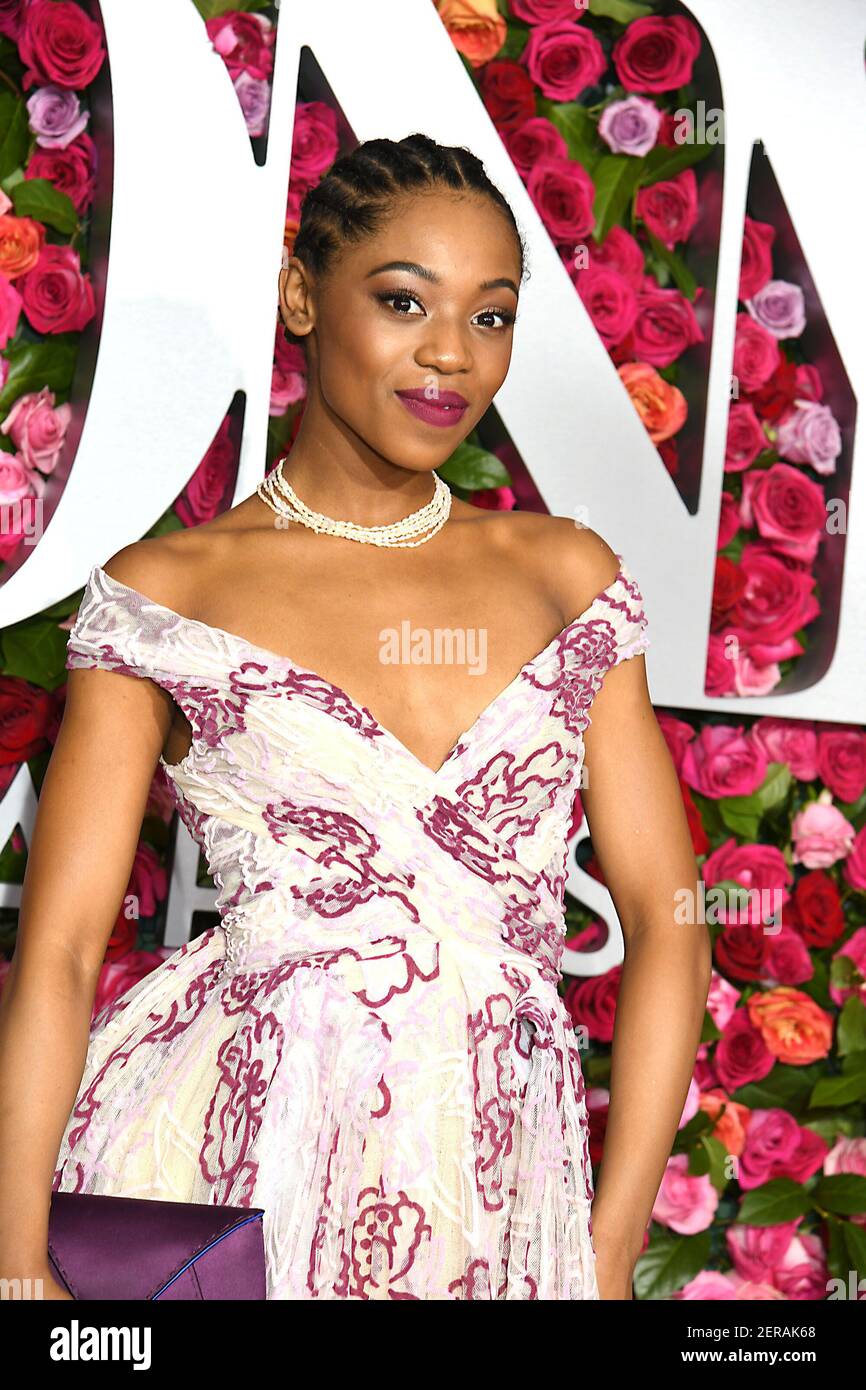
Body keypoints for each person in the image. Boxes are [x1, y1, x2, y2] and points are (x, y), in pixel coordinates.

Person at [0, 133, 710, 1302]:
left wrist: (614, 1241)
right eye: (401, 301)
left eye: (491, 317)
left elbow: (665, 918)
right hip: (237, 1172)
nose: (449, 356)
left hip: (501, 1189)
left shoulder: (563, 576)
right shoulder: (166, 595)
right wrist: (20, 1260)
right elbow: (65, 949)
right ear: (301, 295)